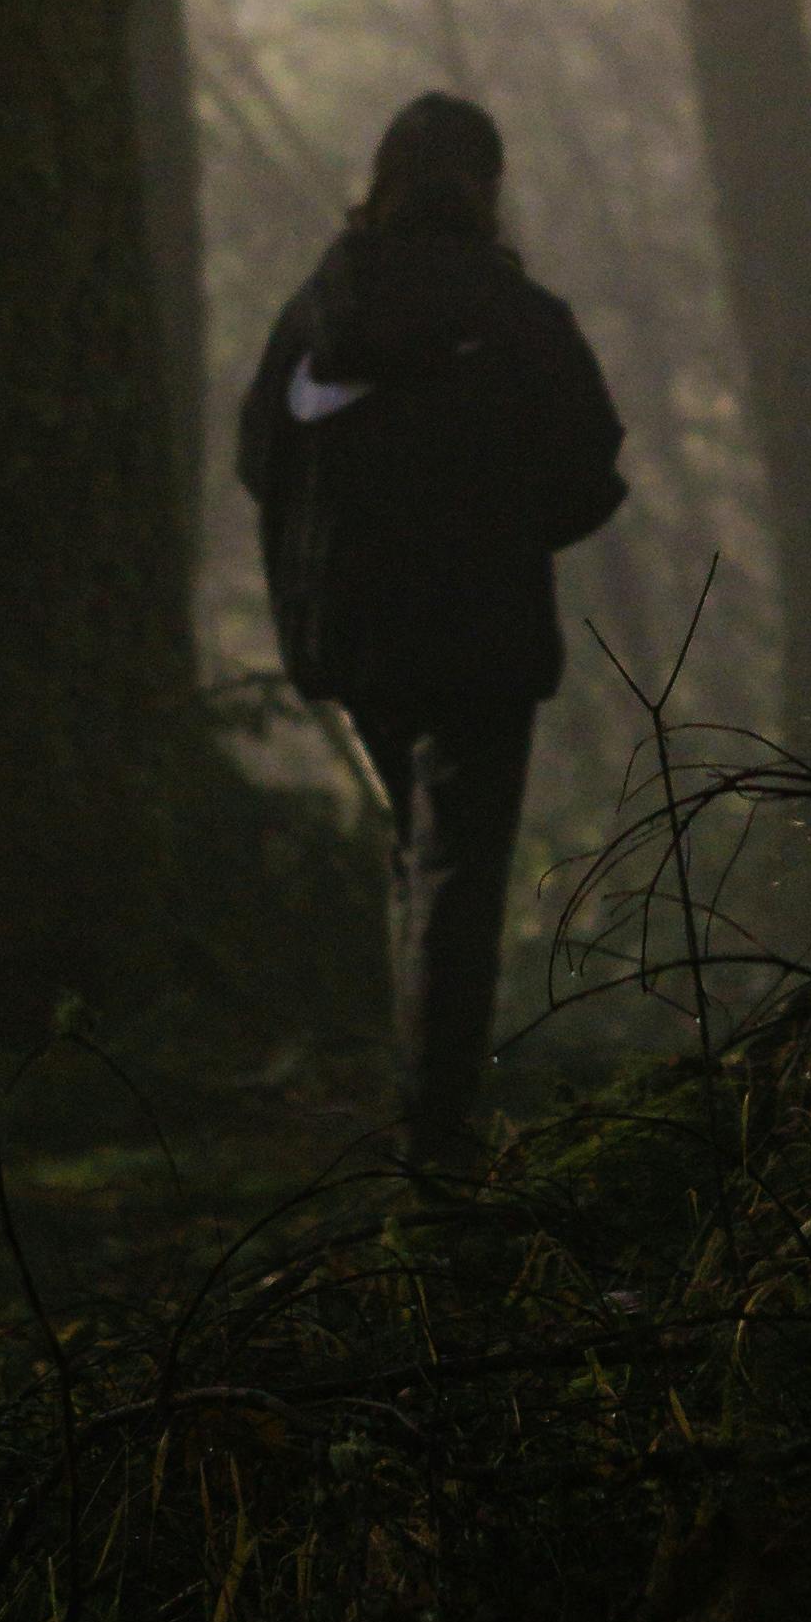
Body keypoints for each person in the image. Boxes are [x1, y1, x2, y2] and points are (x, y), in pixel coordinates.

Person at [235, 92, 626, 1170]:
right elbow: (588, 471)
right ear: (486, 186)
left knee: (412, 854)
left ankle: (419, 1104)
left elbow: (256, 459)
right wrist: (501, 524)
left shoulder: (317, 311)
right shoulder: (515, 314)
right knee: (459, 866)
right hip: (481, 636)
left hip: (352, 636)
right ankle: (438, 1126)